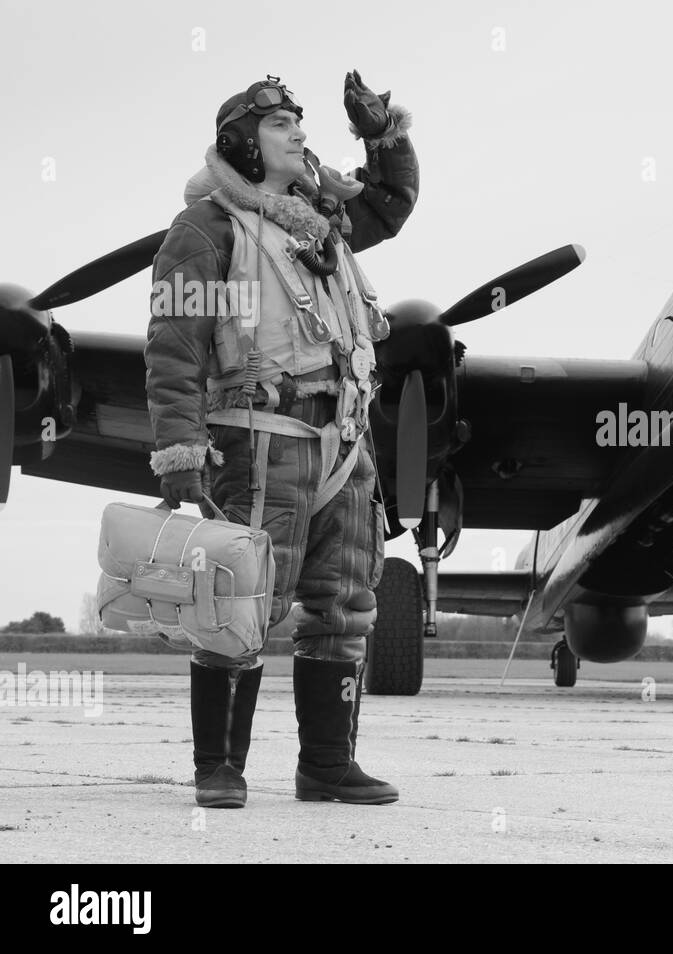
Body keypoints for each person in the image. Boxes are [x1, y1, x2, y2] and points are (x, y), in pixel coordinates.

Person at [144, 73, 418, 807]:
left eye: (301, 123)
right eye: (281, 126)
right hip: (260, 436)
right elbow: (175, 348)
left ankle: (326, 766)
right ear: (241, 144)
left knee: (343, 607)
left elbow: (391, 205)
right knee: (239, 604)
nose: (300, 133)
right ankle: (220, 768)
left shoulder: (318, 220)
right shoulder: (207, 229)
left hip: (344, 441)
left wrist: (383, 133)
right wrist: (180, 451)